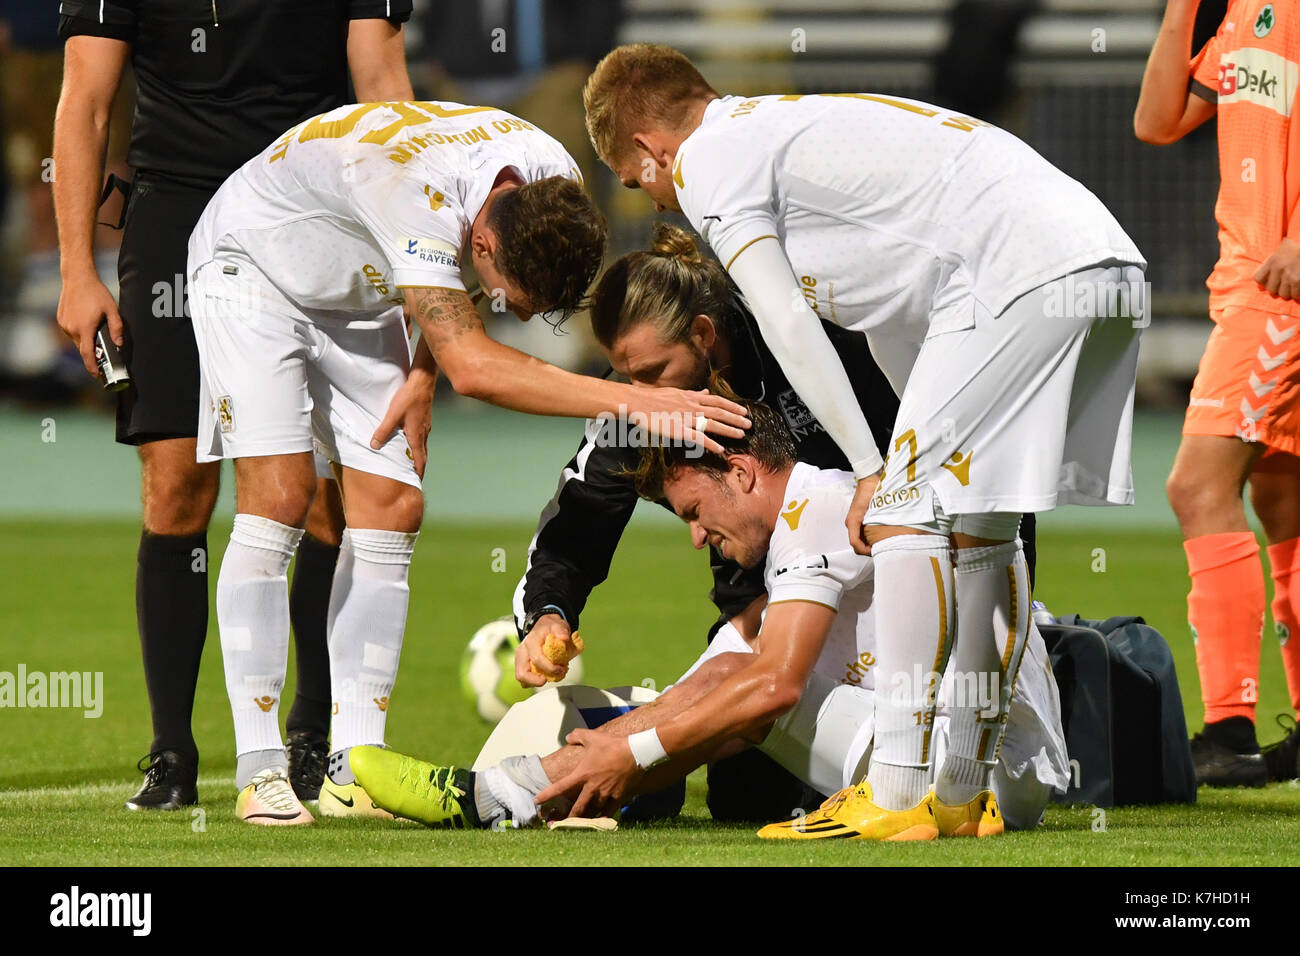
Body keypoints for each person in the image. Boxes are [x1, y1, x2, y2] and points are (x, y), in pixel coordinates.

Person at [582, 43, 1145, 838]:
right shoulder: (792, 142)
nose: (655, 199)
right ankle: (955, 794)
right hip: (1096, 259)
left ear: (649, 145)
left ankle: (896, 790)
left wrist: (878, 466)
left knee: (907, 509)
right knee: (981, 530)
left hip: (1019, 269)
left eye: (638, 178)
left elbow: (784, 320)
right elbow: (888, 321)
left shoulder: (711, 157)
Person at [187, 99, 750, 824]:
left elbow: (452, 318)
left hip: (364, 290)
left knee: (394, 506)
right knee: (282, 494)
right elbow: (478, 369)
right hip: (253, 267)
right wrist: (633, 404)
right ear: (482, 241)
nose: (513, 312)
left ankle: (353, 766)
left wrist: (423, 369)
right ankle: (260, 767)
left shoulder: (554, 182)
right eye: (510, 294)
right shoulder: (413, 194)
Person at [347, 400, 1069, 836]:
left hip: (984, 775)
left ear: (742, 471)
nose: (696, 537)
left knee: (744, 679)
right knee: (725, 666)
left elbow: (770, 693)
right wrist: (632, 754)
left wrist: (629, 753)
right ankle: (525, 788)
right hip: (964, 760)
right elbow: (716, 687)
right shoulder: (798, 532)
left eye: (693, 511)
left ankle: (501, 796)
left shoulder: (813, 512)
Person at [512, 224, 1039, 819]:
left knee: (761, 695)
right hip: (770, 599)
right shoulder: (637, 408)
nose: (640, 397)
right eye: (626, 376)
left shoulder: (820, 341)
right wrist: (548, 614)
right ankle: (575, 774)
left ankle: (973, 739)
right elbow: (577, 523)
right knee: (744, 800)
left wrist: (992, 638)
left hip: (896, 595)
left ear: (704, 336)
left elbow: (971, 476)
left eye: (654, 372)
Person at [53, 0, 417, 812]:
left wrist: (408, 247)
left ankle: (312, 738)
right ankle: (172, 752)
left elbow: (382, 84)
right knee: (177, 484)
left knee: (323, 491)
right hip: (178, 213)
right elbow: (86, 98)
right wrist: (78, 271)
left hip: (313, 208)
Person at [1135, 0, 1300, 785]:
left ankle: (1230, 731)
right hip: (1248, 285)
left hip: (1280, 289)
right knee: (1283, 504)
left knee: (1196, 486)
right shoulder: (1243, 17)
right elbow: (1157, 121)